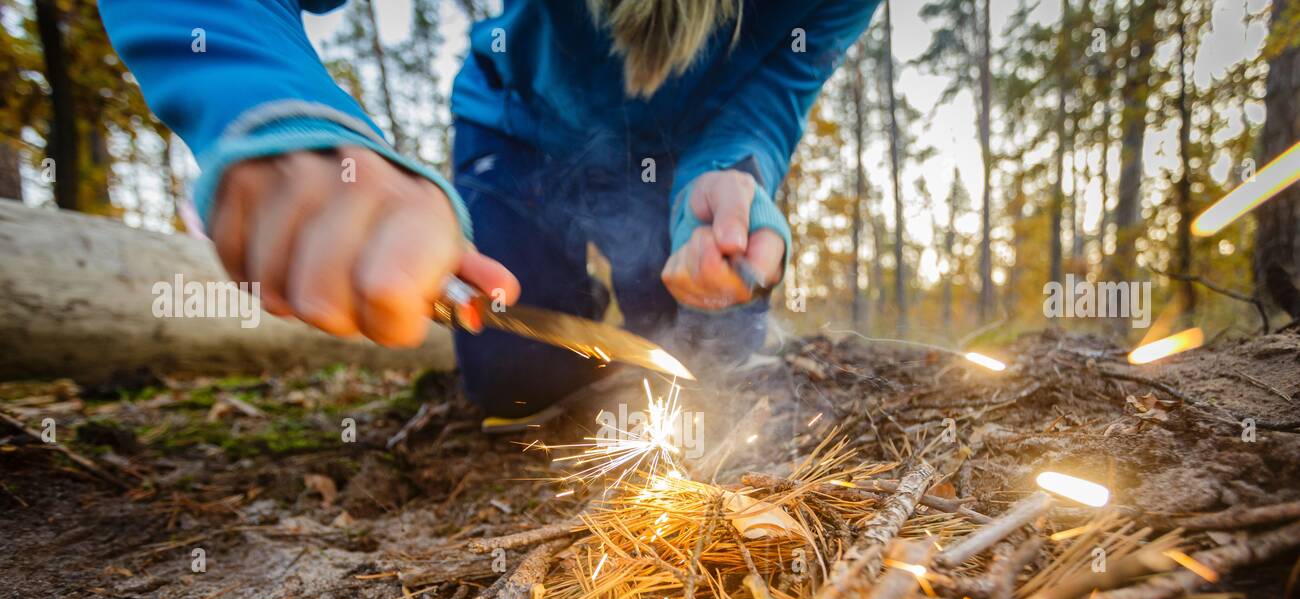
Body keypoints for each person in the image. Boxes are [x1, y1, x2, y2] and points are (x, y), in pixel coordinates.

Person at [100, 0, 880, 417]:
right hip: (520, 131)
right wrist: (283, 111)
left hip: (675, 163)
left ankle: (640, 323)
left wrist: (732, 176)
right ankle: (567, 327)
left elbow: (777, 89)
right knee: (516, 379)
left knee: (714, 362)